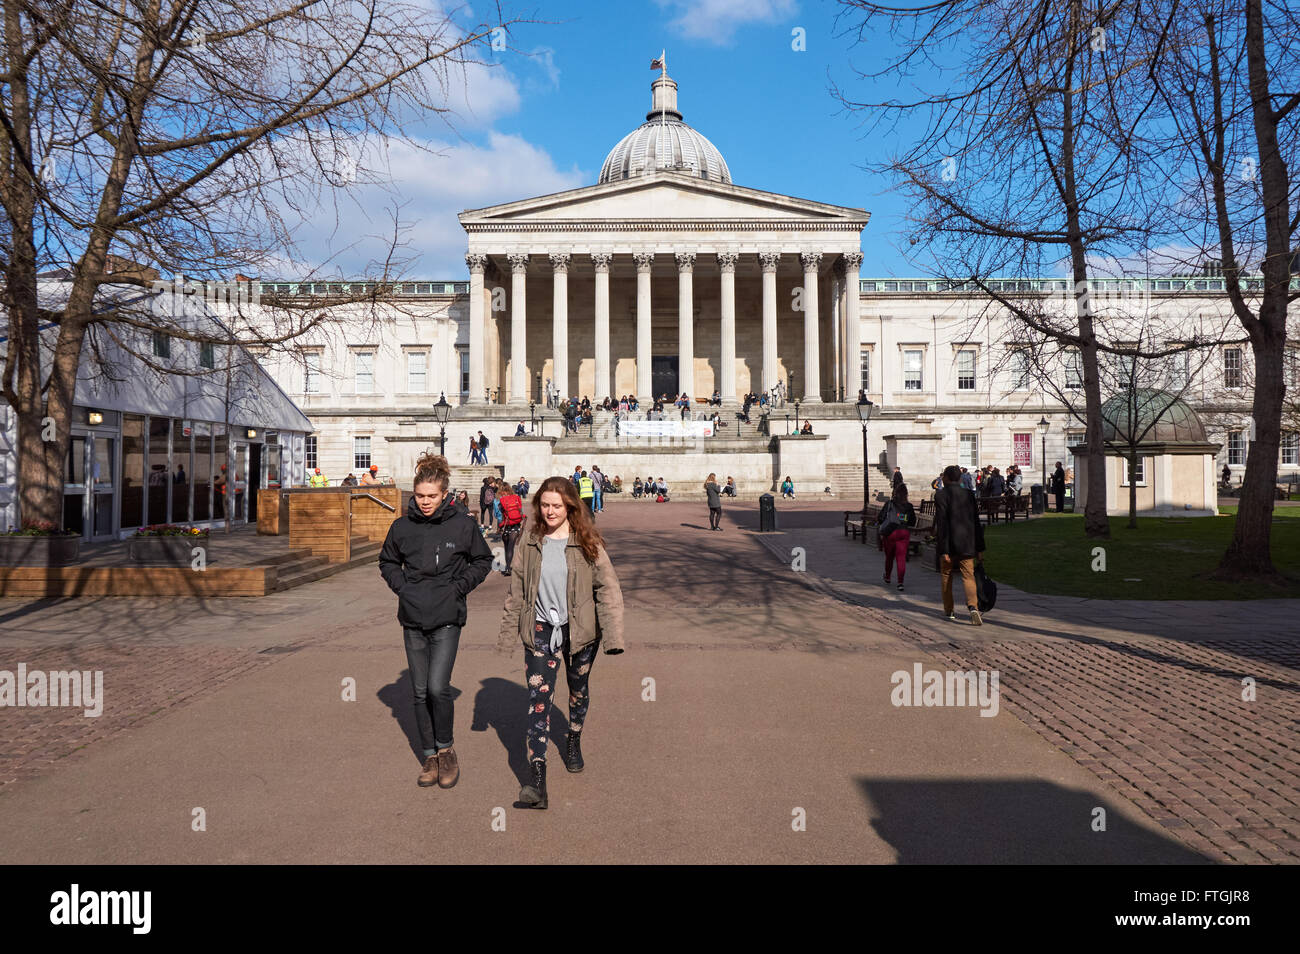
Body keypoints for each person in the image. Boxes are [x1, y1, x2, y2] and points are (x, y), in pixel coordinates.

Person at [497, 476, 625, 810]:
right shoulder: (530, 539)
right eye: (545, 505)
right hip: (540, 630)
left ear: (569, 506)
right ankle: (537, 779)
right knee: (538, 701)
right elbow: (517, 591)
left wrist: (613, 637)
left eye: (557, 505)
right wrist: (507, 635)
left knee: (577, 690)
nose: (550, 511)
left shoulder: (586, 540)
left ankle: (573, 738)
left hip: (580, 631)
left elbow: (607, 588)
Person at [379, 452, 494, 788]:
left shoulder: (463, 525)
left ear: (444, 494)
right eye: (420, 496)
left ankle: (447, 750)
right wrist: (403, 588)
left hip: (447, 616)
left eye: (432, 496)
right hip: (412, 616)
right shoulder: (401, 527)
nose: (426, 502)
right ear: (413, 495)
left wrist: (458, 588)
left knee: (437, 687)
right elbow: (387, 562)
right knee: (417, 692)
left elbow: (482, 561)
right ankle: (429, 756)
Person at [932, 464, 986, 626]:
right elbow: (976, 522)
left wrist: (944, 549)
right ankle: (973, 606)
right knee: (968, 576)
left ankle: (949, 610)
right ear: (960, 478)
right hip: (967, 542)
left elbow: (942, 524)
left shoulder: (941, 496)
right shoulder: (969, 494)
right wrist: (979, 547)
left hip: (950, 543)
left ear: (946, 478)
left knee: (946, 576)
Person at [878, 483, 918, 591]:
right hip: (903, 532)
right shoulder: (909, 506)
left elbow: (881, 517)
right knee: (901, 558)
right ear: (906, 494)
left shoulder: (889, 504)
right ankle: (900, 582)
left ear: (895, 493)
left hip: (890, 532)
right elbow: (912, 521)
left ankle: (887, 576)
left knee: (889, 557)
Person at [498, 480, 525, 575]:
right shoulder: (517, 497)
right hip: (516, 525)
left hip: (506, 525)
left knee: (506, 547)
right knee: (511, 547)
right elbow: (520, 509)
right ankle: (508, 568)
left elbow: (500, 513)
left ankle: (507, 567)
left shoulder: (501, 500)